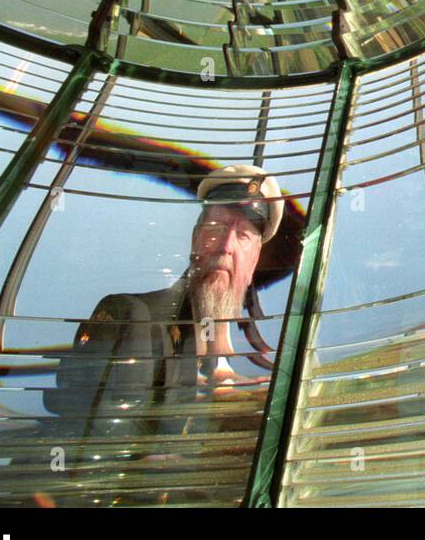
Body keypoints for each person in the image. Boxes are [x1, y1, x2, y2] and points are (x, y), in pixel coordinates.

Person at [42, 165, 284, 447]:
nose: (226, 246)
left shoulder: (244, 367)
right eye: (217, 228)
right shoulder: (131, 318)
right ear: (195, 239)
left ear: (254, 261)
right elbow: (94, 440)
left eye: (242, 236)